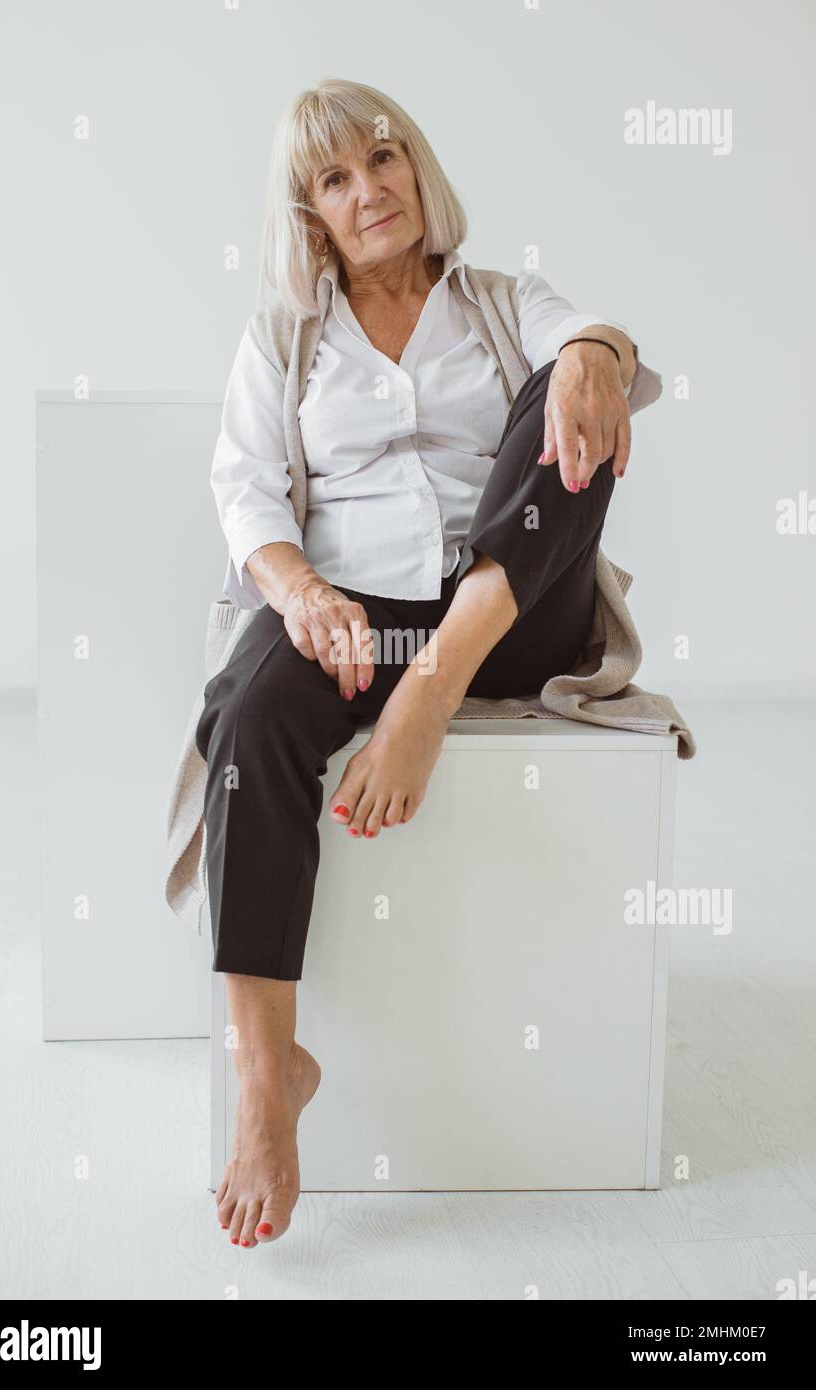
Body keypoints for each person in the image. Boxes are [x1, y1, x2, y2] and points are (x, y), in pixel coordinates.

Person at [195, 78, 659, 1249]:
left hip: (502, 620)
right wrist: (299, 591)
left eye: (384, 159)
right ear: (309, 217)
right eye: (335, 180)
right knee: (250, 720)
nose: (370, 190)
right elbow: (244, 489)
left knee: (573, 408)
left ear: (417, 169)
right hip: (352, 618)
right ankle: (265, 1073)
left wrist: (594, 351)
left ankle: (431, 693)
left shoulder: (499, 299)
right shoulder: (283, 339)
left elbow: (594, 349)